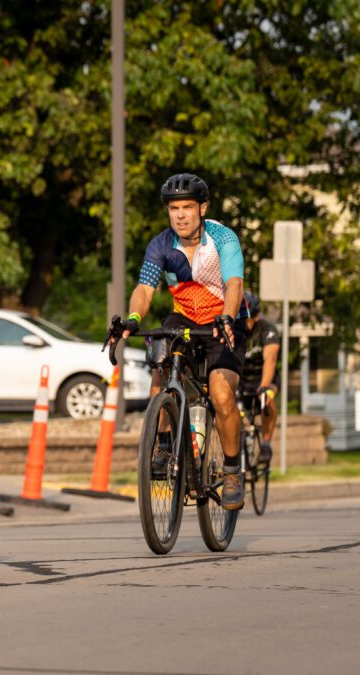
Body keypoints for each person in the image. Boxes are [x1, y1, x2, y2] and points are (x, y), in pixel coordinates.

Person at [109, 173, 250, 509]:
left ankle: (232, 472)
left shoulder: (223, 238)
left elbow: (234, 284)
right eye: (174, 208)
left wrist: (226, 318)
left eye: (187, 207)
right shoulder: (161, 245)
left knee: (221, 393)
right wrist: (133, 318)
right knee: (160, 364)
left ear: (202, 208)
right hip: (185, 317)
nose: (181, 215)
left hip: (225, 319)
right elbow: (145, 289)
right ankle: (162, 444)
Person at [239, 291, 280, 463]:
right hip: (242, 380)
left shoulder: (267, 330)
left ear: (256, 316)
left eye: (248, 318)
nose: (245, 322)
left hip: (264, 378)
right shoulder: (235, 329)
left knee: (266, 401)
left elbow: (270, 359)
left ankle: (266, 444)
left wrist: (264, 386)